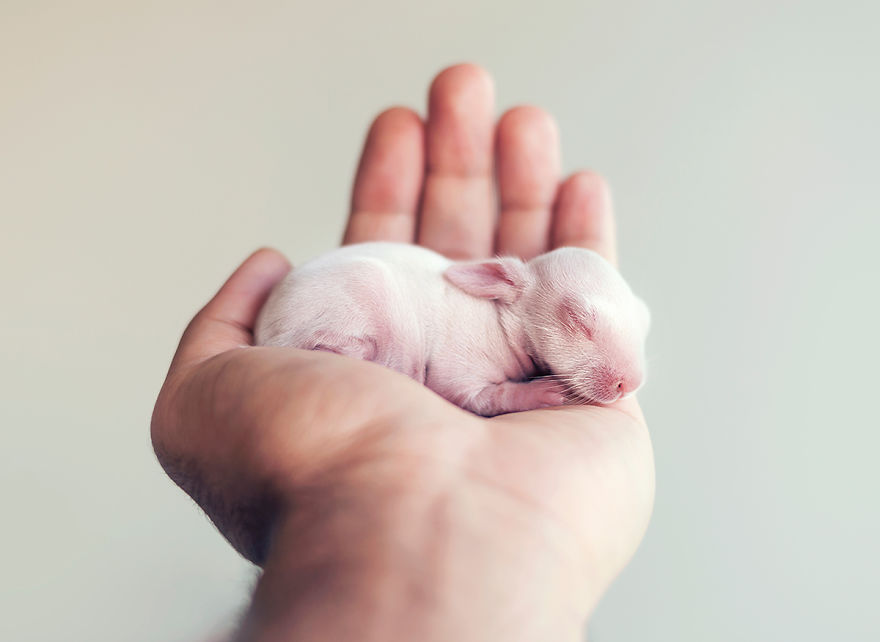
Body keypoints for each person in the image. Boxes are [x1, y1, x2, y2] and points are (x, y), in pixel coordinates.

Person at [151, 63, 655, 642]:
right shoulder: (483, 322)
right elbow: (470, 389)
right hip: (332, 310)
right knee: (368, 288)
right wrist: (515, 396)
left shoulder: (511, 320)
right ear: (502, 283)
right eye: (579, 324)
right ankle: (335, 348)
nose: (627, 381)